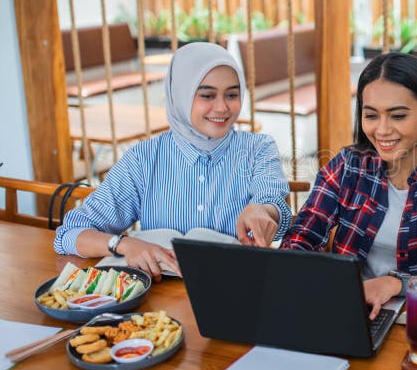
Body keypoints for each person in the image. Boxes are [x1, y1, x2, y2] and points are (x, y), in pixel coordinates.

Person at [280, 52, 417, 319]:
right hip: (353, 311)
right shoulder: (348, 166)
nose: (382, 130)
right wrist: (294, 267)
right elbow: (303, 235)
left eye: (398, 116)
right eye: (371, 116)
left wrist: (396, 284)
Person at [55, 42, 292, 280]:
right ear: (181, 94)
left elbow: (271, 200)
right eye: (207, 95)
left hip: (235, 291)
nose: (222, 107)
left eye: (231, 94)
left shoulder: (258, 149)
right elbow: (70, 234)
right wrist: (124, 244)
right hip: (157, 306)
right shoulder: (144, 159)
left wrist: (262, 210)